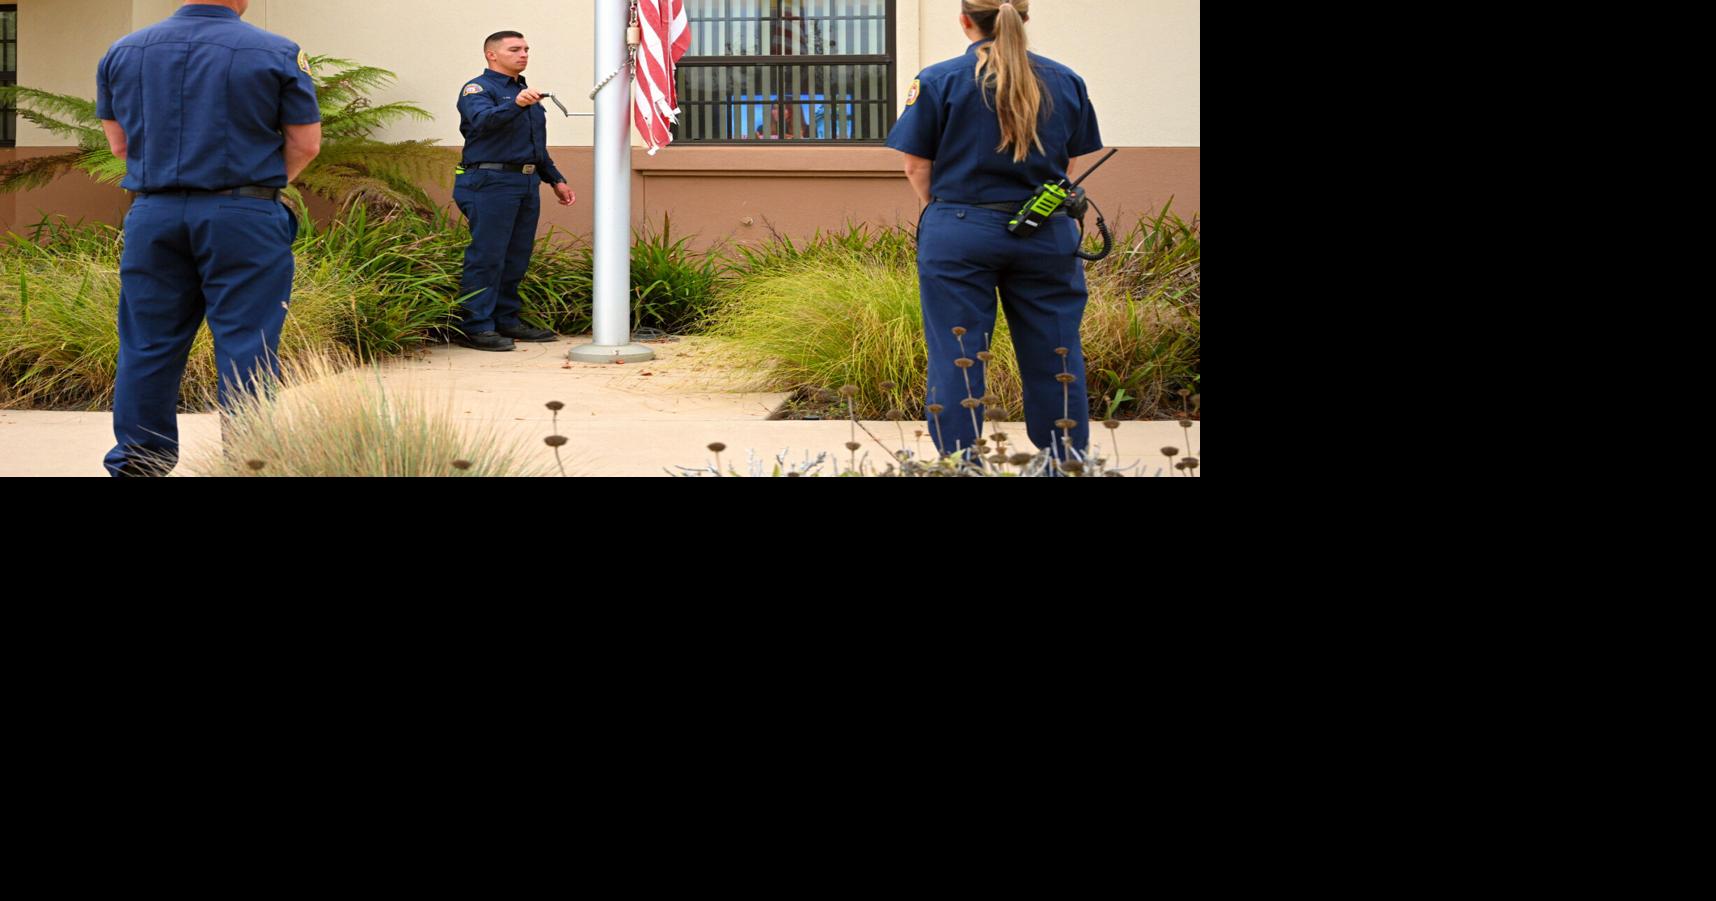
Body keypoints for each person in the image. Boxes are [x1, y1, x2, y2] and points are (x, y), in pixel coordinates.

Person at [97, 0, 321, 477]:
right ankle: (248, 465)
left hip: (153, 212)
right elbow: (306, 142)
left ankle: (140, 464)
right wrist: (257, 187)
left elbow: (119, 145)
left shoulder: (124, 50)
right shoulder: (276, 50)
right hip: (243, 214)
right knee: (248, 342)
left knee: (148, 343)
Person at [886, 0, 1103, 464]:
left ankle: (960, 464)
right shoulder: (1065, 80)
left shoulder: (938, 80)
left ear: (965, 20)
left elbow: (915, 165)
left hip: (958, 230)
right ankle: (1062, 464)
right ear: (1025, 19)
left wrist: (947, 213)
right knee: (1056, 352)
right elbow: (1070, 163)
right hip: (1044, 231)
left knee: (956, 352)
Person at [452, 30, 577, 351]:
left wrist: (555, 179)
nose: (523, 54)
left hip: (524, 182)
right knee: (488, 255)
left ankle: (506, 320)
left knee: (516, 255)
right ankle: (476, 326)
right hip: (489, 182)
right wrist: (516, 105)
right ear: (491, 55)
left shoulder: (525, 93)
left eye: (526, 49)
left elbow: (534, 146)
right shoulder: (478, 89)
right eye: (514, 49)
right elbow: (481, 122)